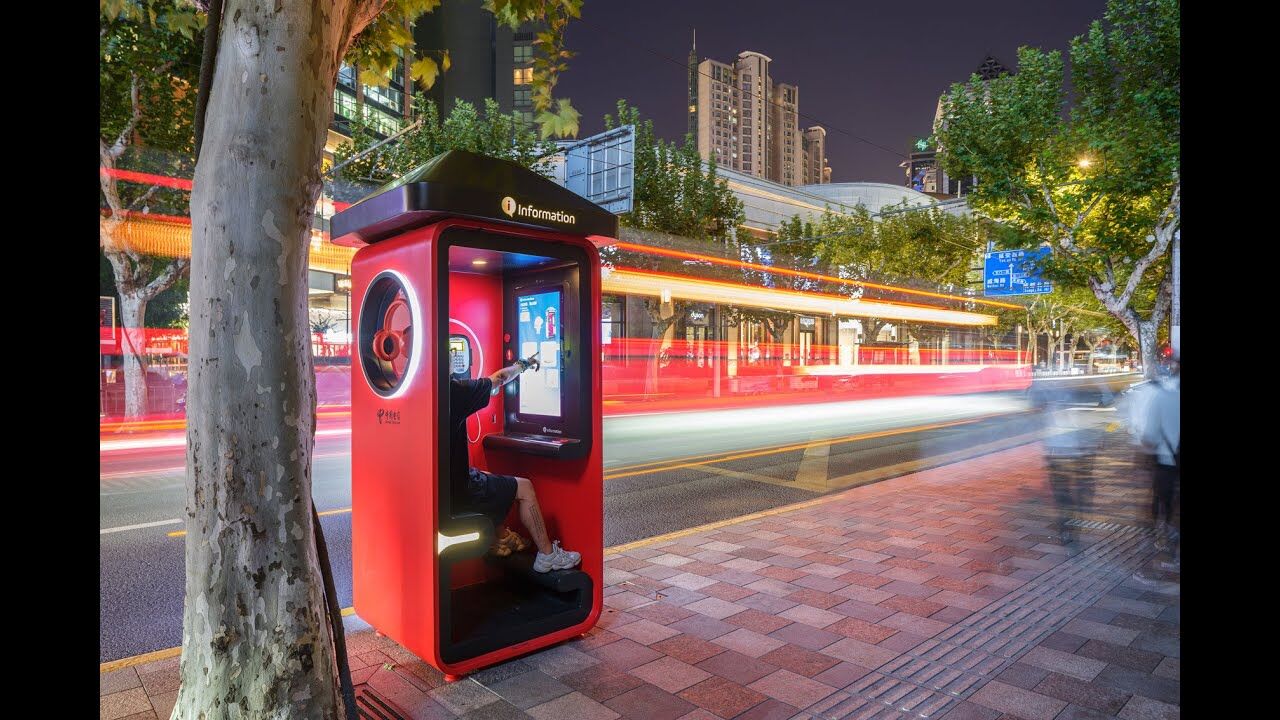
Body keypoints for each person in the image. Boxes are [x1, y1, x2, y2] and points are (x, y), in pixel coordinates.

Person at [449, 351, 581, 573]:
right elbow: (499, 379)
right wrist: (525, 363)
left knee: (486, 478)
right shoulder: (455, 391)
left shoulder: (420, 394)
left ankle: (500, 537)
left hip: (442, 490)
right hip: (458, 493)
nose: (453, 356)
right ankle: (547, 555)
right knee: (524, 487)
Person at [1143, 352, 1180, 568]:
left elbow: (1149, 436)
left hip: (1167, 461)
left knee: (1167, 505)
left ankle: (1169, 549)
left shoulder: (1161, 397)